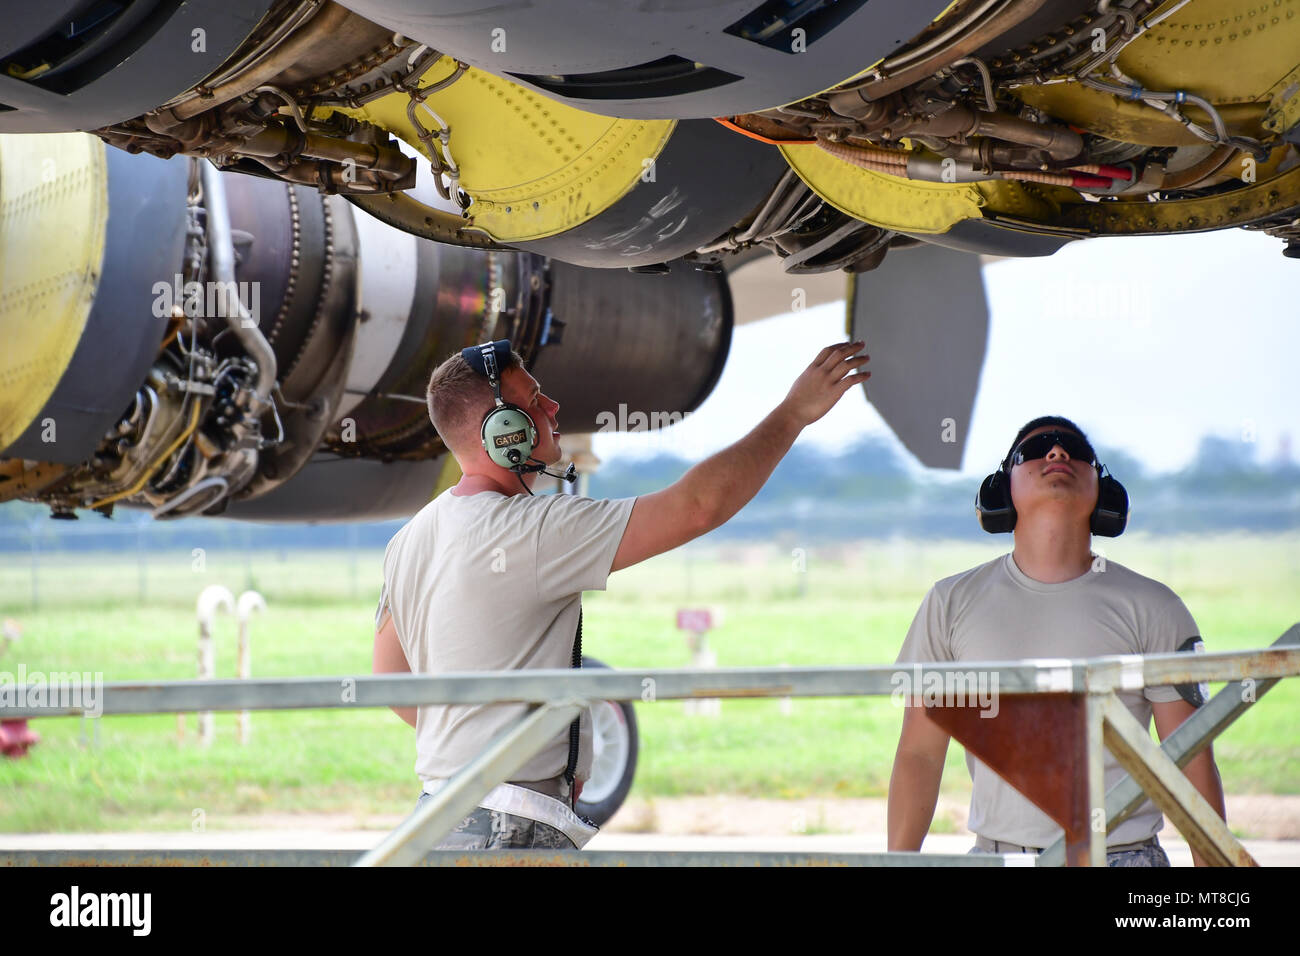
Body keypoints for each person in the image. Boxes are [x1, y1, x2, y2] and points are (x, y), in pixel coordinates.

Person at [373, 338, 870, 850]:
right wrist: (792, 415)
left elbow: (390, 677)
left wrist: (476, 742)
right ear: (504, 433)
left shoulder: (407, 539)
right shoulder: (534, 529)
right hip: (510, 827)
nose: (553, 408)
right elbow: (698, 506)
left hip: (436, 820)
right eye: (534, 399)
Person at [887, 416, 1226, 866]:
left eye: (1074, 450)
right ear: (1001, 488)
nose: (1057, 454)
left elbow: (1189, 757)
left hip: (1122, 856)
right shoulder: (949, 602)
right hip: (999, 857)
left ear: (1102, 491)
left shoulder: (1155, 605)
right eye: (1038, 448)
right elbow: (919, 755)